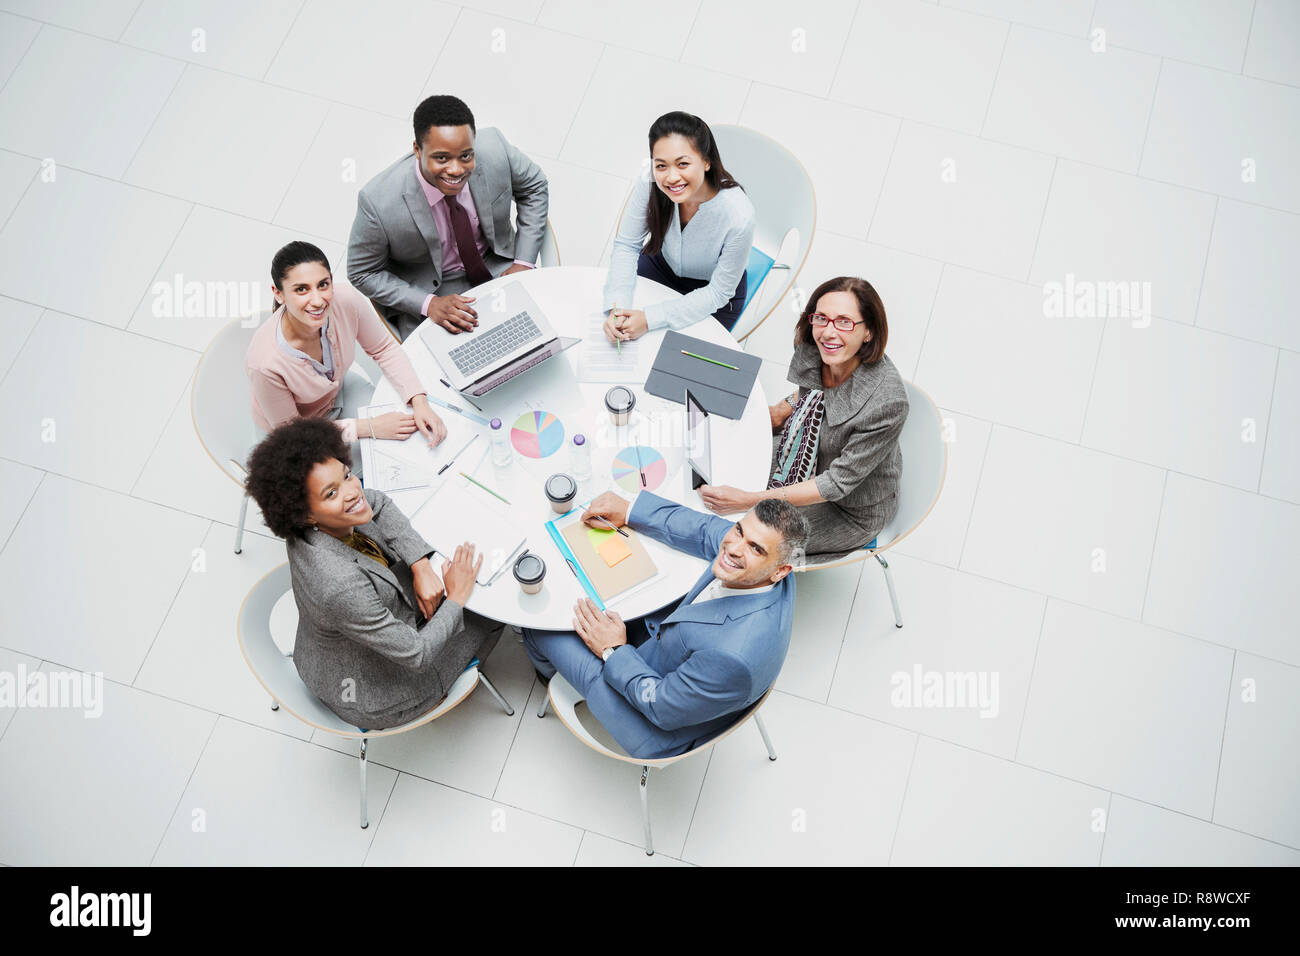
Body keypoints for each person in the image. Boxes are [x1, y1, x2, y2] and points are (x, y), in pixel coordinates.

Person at [245, 418, 507, 730]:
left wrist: (420, 566)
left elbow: (378, 501)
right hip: (380, 690)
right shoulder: (339, 585)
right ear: (306, 515)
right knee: (494, 604)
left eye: (345, 475)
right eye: (331, 493)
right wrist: (458, 596)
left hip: (335, 652)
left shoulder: (310, 528)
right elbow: (418, 654)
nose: (353, 491)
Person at [522, 489, 808, 759]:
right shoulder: (766, 564)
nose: (733, 548)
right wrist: (630, 510)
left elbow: (659, 706)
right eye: (738, 530)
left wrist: (612, 650)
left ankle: (552, 677)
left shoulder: (733, 658)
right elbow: (705, 529)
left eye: (755, 549)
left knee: (541, 626)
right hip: (679, 654)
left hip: (652, 723)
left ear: (780, 571)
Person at [699, 276, 908, 560]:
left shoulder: (887, 403)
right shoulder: (814, 344)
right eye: (821, 318)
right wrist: (782, 408)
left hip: (845, 507)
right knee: (723, 459)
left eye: (845, 322)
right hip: (800, 454)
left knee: (745, 542)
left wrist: (747, 500)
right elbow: (812, 392)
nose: (828, 333)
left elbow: (835, 484)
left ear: (868, 331)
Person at [347, 94, 550, 341]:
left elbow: (534, 187)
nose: (456, 170)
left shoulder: (495, 146)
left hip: (500, 267)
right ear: (417, 150)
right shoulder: (377, 200)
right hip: (434, 294)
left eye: (466, 156)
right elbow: (362, 271)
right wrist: (428, 304)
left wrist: (524, 262)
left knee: (544, 334)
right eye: (441, 158)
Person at [246, 241, 447, 470]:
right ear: (278, 294)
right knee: (365, 475)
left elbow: (384, 349)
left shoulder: (346, 299)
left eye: (323, 284)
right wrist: (369, 427)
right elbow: (295, 436)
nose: (318, 300)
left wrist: (418, 400)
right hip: (295, 432)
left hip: (338, 393)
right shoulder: (265, 364)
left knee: (410, 439)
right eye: (301, 289)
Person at [601, 111, 754, 342]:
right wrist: (617, 308)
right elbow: (627, 244)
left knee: (677, 364)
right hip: (661, 265)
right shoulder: (649, 180)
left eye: (683, 164)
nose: (671, 177)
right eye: (661, 165)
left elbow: (719, 292)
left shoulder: (739, 214)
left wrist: (650, 318)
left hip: (713, 291)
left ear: (706, 161)